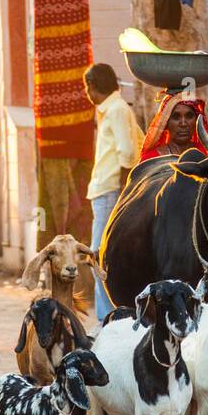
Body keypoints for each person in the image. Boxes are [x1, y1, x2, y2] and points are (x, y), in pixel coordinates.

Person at [84, 62, 142, 321]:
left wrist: (121, 190)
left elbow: (128, 152)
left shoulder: (117, 109)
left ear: (93, 87)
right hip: (104, 189)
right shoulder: (113, 109)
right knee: (102, 253)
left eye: (88, 87)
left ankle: (107, 318)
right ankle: (110, 315)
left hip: (110, 189)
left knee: (99, 254)